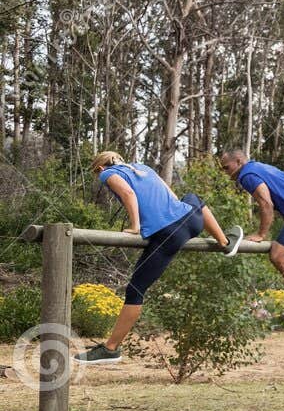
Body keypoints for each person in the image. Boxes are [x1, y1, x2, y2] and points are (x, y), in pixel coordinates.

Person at [75, 152, 244, 365]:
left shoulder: (107, 173)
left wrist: (136, 227)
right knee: (193, 198)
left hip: (170, 233)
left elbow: (127, 193)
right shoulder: (143, 168)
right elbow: (171, 195)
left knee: (135, 290)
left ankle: (111, 349)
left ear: (99, 168)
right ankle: (225, 243)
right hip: (191, 219)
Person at [217, 150, 284, 320]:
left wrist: (261, 234)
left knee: (276, 255)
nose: (225, 172)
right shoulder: (257, 167)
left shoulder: (247, 175)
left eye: (226, 167)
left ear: (238, 161)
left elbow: (266, 203)